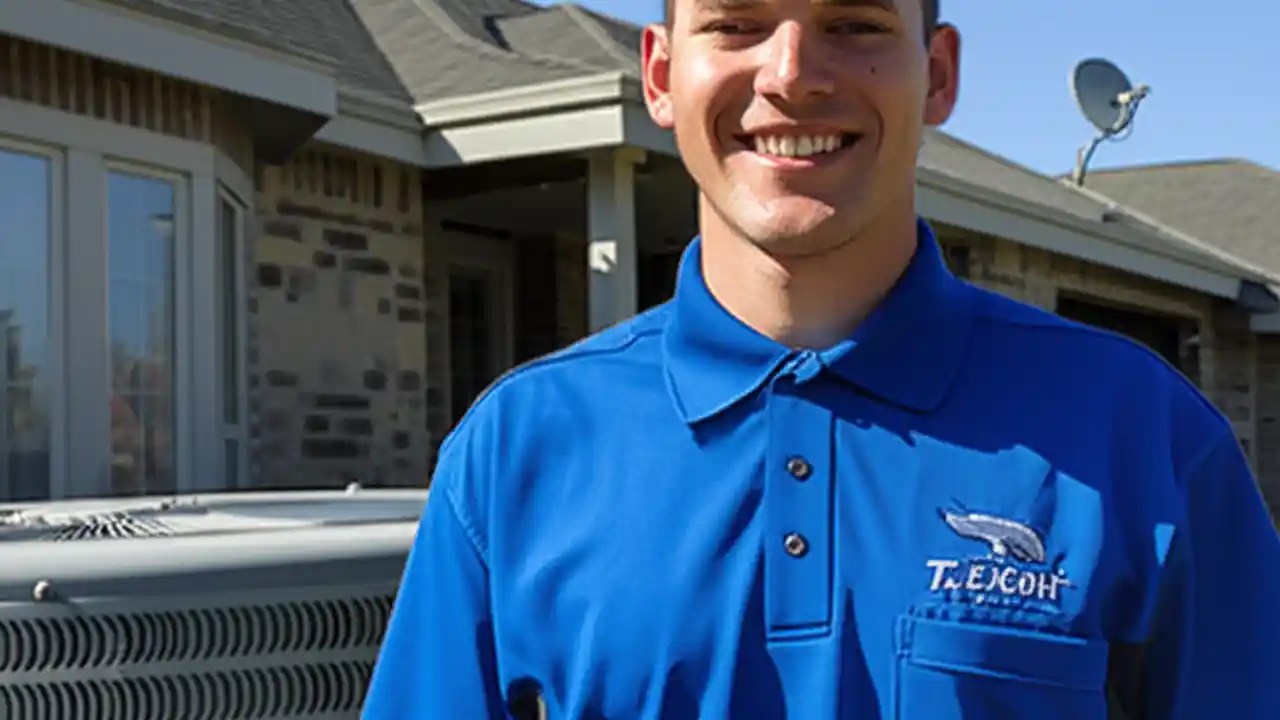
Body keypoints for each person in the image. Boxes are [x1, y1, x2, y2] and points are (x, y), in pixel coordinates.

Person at [363, 0, 1280, 717]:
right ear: (659, 74)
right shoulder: (518, 450)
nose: (793, 74)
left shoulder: (1142, 436)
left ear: (939, 74)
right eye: (736, 25)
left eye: (853, 24)